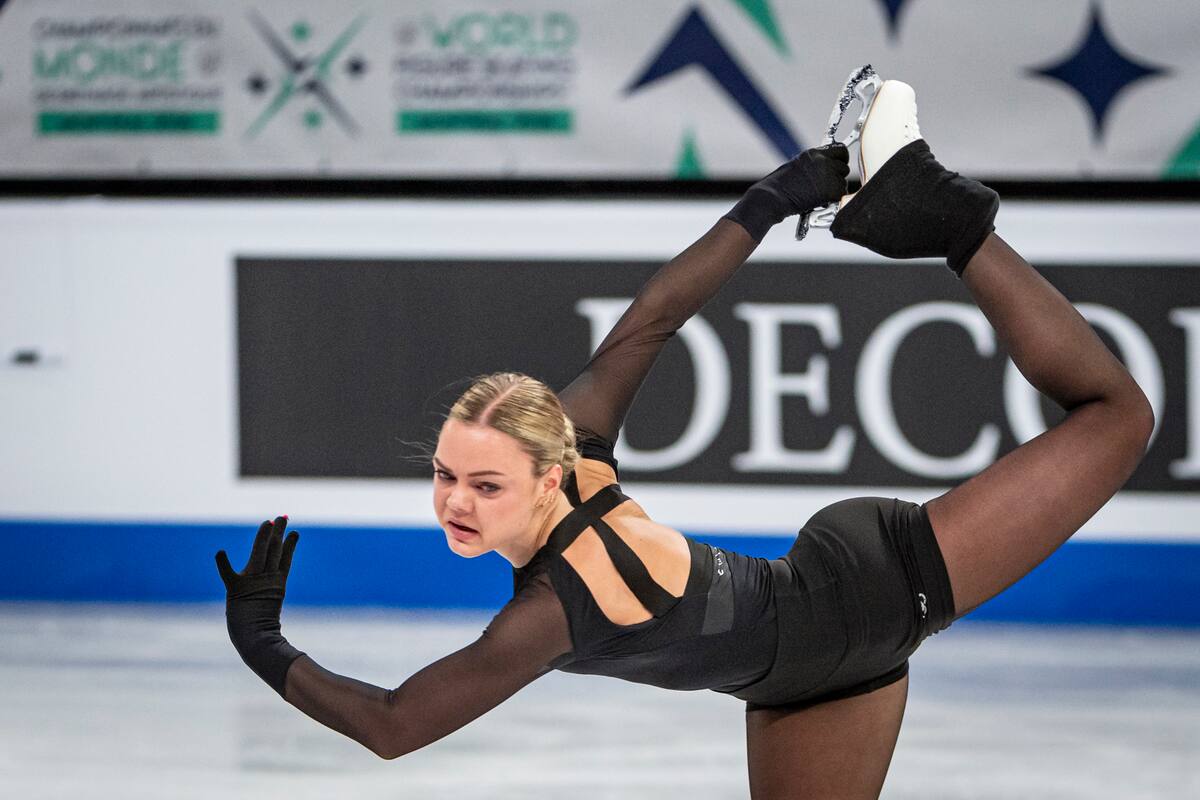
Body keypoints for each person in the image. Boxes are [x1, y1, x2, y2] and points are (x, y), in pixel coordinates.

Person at [216, 80, 1153, 799]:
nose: (457, 501)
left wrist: (264, 645)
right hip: (795, 683)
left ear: (548, 476)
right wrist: (773, 197)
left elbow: (393, 724)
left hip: (867, 592)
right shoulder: (573, 449)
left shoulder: (551, 608)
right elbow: (654, 319)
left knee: (1119, 417)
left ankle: (951, 223)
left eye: (486, 485)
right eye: (447, 476)